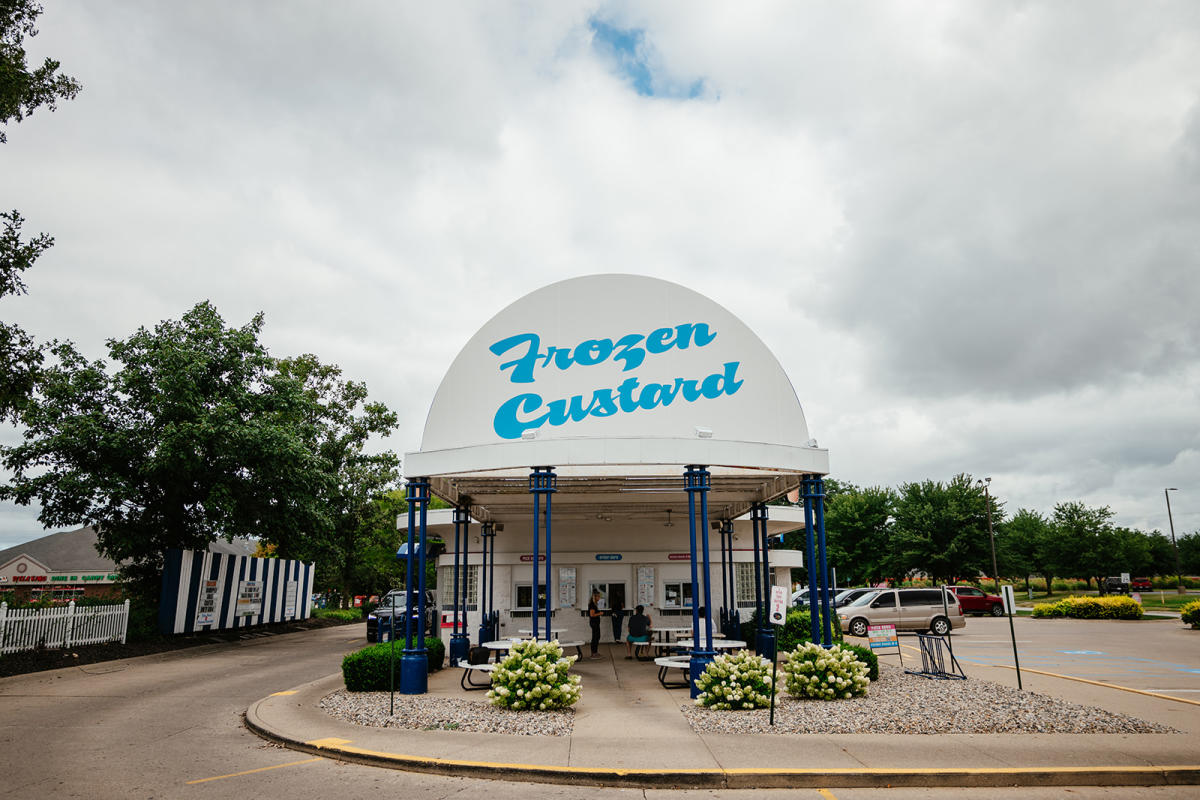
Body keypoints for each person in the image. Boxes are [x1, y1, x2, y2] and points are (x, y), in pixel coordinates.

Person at [587, 590, 603, 658]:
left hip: (596, 623)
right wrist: (600, 613)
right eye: (598, 596)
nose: (599, 598)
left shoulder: (595, 604)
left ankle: (595, 652)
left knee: (597, 636)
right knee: (595, 637)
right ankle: (593, 653)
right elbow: (592, 614)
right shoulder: (592, 605)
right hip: (594, 623)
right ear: (595, 597)